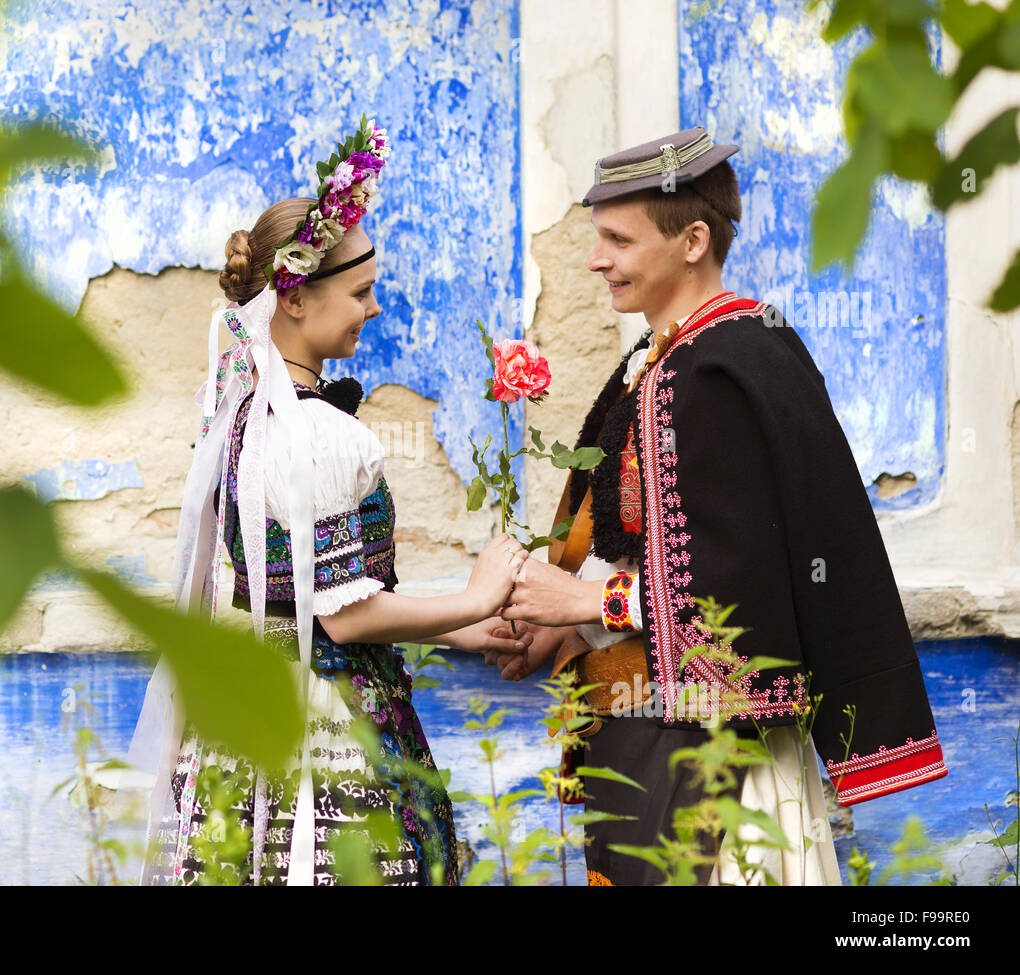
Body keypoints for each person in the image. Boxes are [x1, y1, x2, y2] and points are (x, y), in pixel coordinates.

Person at [487, 126, 948, 885]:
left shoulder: (725, 367)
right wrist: (558, 623)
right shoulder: (668, 360)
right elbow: (647, 543)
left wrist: (584, 597)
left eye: (618, 240)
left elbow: (744, 593)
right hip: (646, 736)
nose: (597, 258)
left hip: (715, 767)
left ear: (693, 238)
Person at [126, 118, 531, 886]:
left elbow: (317, 595)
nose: (374, 309)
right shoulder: (316, 434)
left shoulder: (243, 422)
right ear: (297, 301)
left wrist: (468, 630)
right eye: (361, 292)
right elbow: (344, 618)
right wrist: (473, 595)